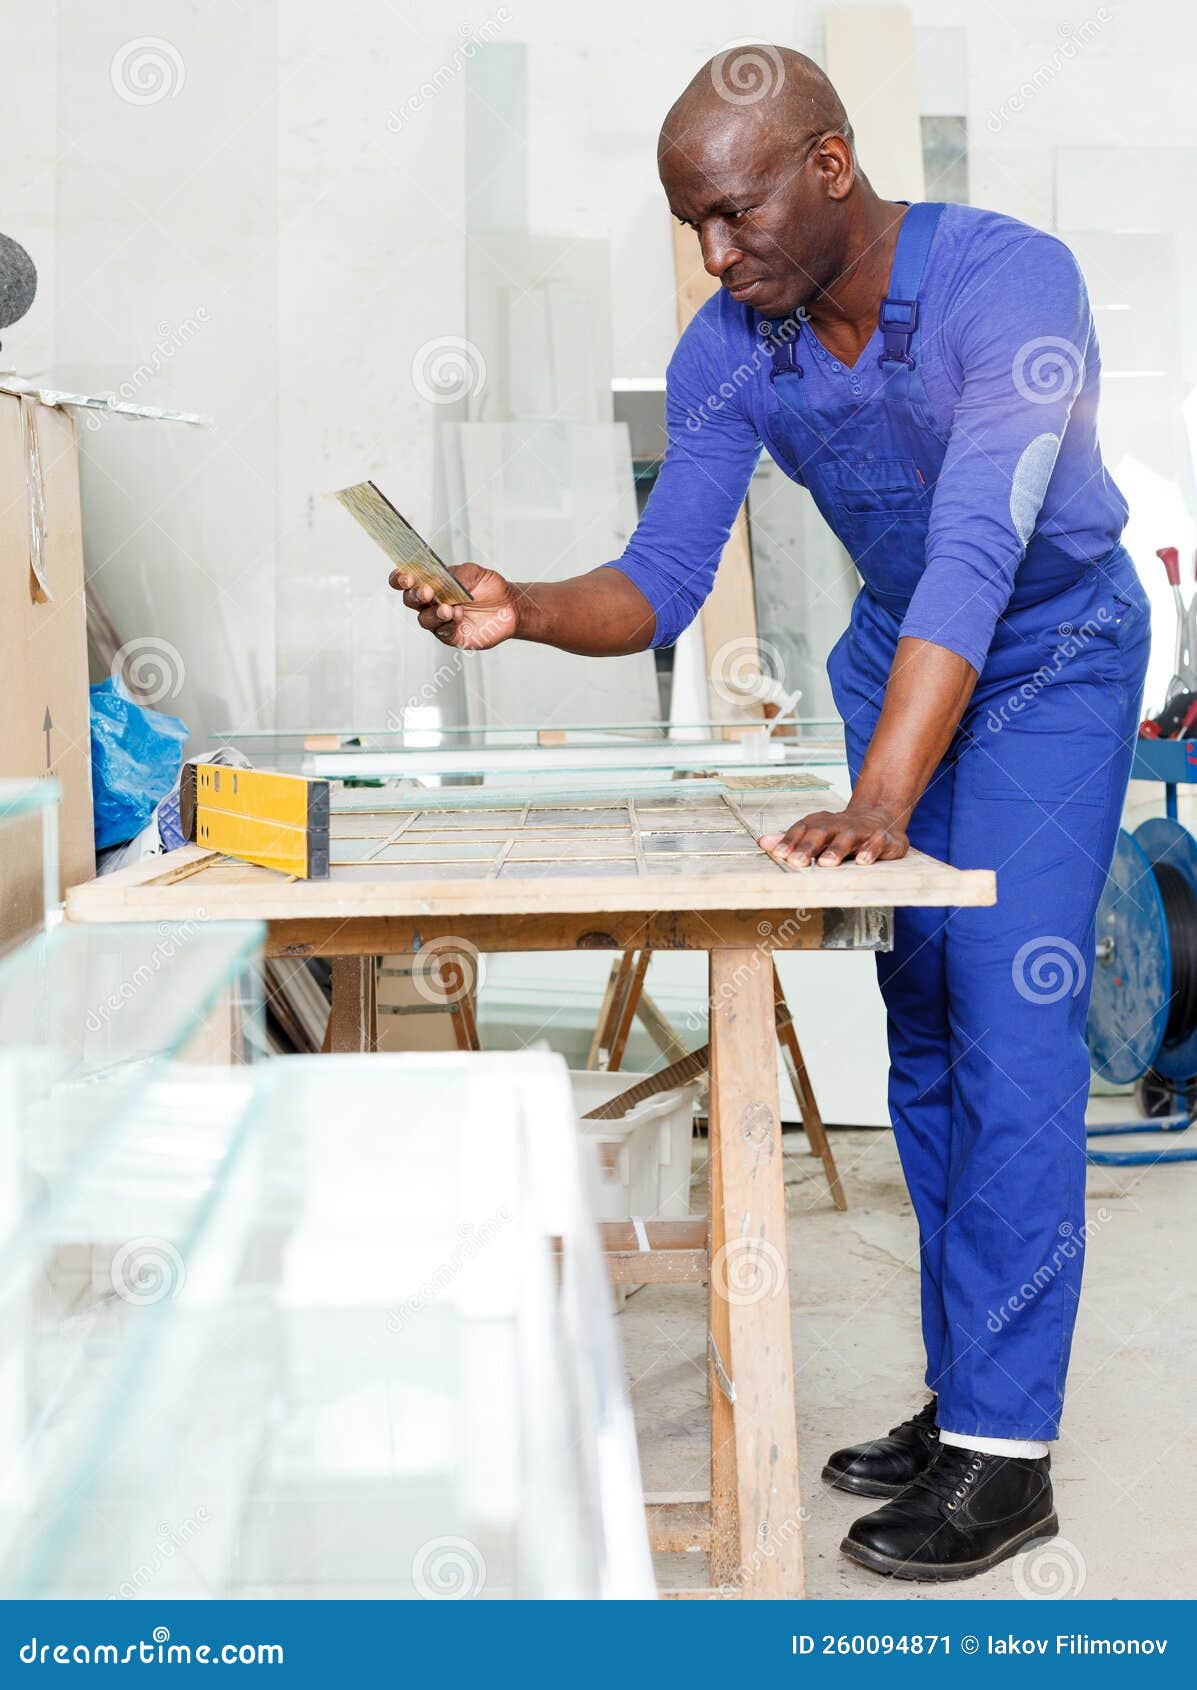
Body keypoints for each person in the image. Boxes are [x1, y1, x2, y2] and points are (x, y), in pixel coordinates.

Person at [390, 47, 1151, 1581]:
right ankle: (966, 1395)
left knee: (1010, 1016)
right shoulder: (731, 347)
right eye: (690, 223)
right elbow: (660, 577)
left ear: (828, 165)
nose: (713, 253)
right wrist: (521, 604)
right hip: (897, 656)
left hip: (1048, 649)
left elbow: (977, 546)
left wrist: (879, 796)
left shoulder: (1012, 284)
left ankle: (1008, 1458)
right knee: (923, 1017)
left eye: (733, 214)